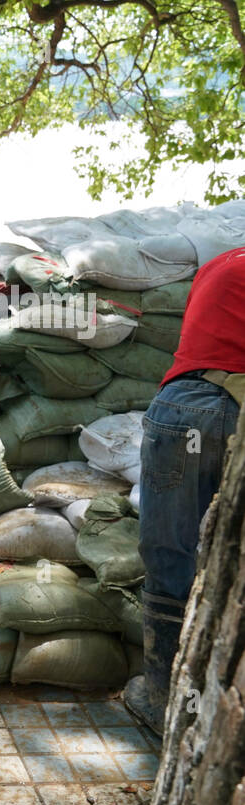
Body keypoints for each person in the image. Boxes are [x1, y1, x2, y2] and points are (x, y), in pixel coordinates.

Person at [125, 246, 245, 736]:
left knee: (171, 553)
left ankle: (164, 699)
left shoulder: (223, 261)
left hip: (180, 411)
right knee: (225, 561)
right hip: (229, 409)